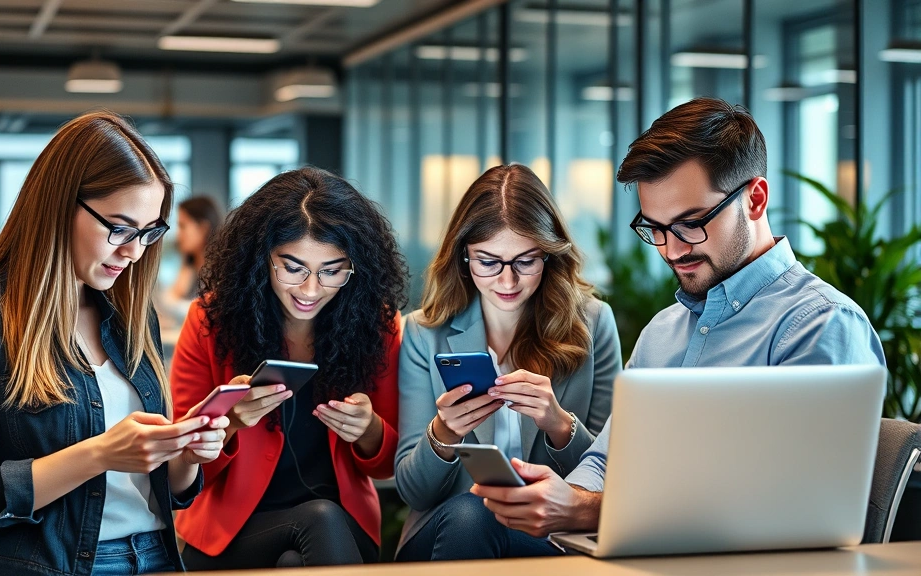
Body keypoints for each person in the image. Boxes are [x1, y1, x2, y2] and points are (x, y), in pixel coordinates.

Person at [470, 97, 886, 542]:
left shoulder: (820, 325)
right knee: (477, 519)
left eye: (691, 223)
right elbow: (608, 461)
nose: (671, 250)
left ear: (756, 199)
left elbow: (795, 502)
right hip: (640, 554)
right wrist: (559, 497)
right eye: (656, 229)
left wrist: (589, 510)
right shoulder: (662, 333)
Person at [0, 111, 229, 576]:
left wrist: (185, 455)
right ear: (60, 205)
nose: (134, 251)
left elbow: (165, 494)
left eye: (149, 233)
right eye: (121, 228)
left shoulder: (131, 316)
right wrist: (99, 454)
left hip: (156, 557)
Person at [169, 166, 408, 569]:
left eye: (332, 271)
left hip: (340, 529)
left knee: (308, 541)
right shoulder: (209, 321)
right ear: (260, 257)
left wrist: (369, 430)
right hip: (232, 532)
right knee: (318, 520)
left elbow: (388, 464)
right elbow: (181, 471)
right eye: (293, 268)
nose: (311, 289)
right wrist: (229, 424)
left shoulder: (377, 326)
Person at [394, 164, 622, 561]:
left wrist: (558, 424)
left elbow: (613, 476)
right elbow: (415, 493)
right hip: (449, 532)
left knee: (478, 516)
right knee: (472, 512)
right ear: (463, 255)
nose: (508, 281)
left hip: (550, 536)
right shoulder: (423, 333)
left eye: (525, 262)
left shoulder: (594, 324)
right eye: (488, 262)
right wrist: (444, 433)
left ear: (549, 256)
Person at [157, 195, 223, 326]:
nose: (178, 234)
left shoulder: (222, 270)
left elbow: (211, 313)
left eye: (183, 226)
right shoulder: (191, 265)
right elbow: (171, 299)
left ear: (203, 228)